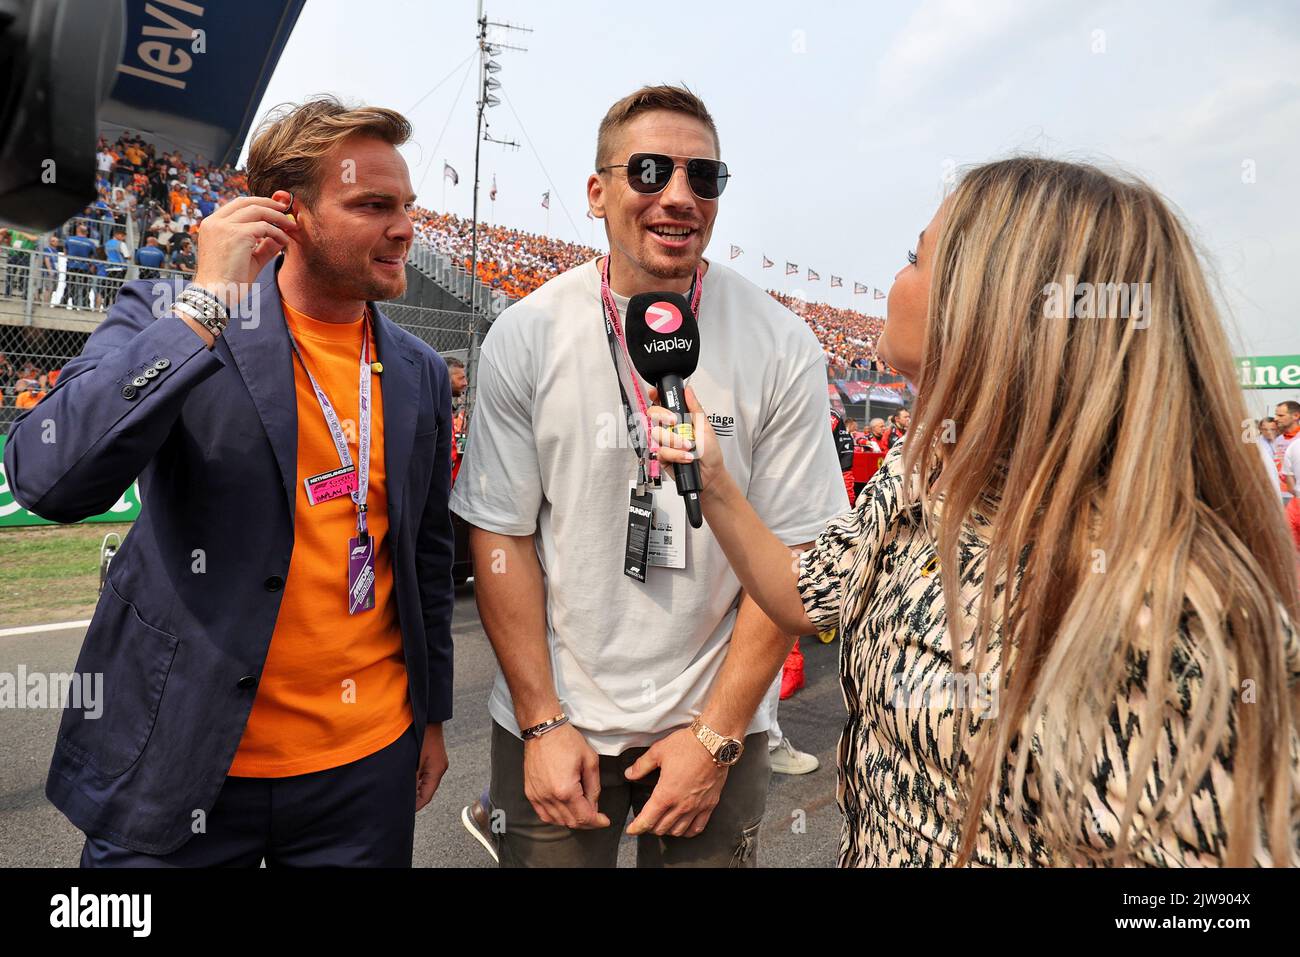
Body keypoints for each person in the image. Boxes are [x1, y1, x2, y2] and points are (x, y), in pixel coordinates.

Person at [650, 157, 1300, 867]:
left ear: (992, 306)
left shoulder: (1169, 609)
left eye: (913, 258)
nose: (895, 280)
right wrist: (713, 481)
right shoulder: (920, 472)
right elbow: (808, 592)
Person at [4, 95, 456, 867]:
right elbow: (46, 476)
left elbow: (428, 556)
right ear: (285, 213)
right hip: (182, 755)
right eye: (373, 204)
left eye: (408, 205)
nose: (405, 227)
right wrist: (204, 308)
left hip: (365, 768)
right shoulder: (168, 314)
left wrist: (434, 715)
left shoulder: (418, 369)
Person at [450, 84, 843, 867]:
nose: (678, 197)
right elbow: (502, 536)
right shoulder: (527, 334)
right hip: (558, 725)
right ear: (597, 193)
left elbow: (795, 554)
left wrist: (719, 734)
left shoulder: (782, 342)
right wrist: (540, 720)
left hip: (714, 727)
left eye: (704, 177)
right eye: (650, 171)